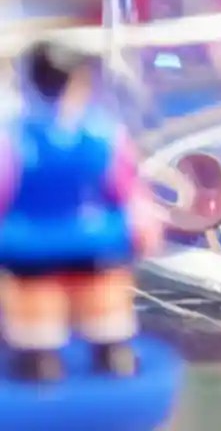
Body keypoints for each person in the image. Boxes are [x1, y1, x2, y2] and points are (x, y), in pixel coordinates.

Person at [0, 42, 161, 382]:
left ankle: (47, 355)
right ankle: (106, 348)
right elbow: (126, 187)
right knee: (93, 295)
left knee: (53, 297)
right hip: (89, 235)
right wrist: (143, 222)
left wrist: (140, 219)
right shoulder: (103, 133)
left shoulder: (14, 137)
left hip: (32, 240)